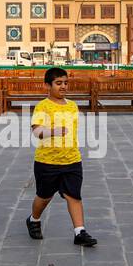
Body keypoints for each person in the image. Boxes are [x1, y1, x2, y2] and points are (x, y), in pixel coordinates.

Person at [26, 67, 96, 247]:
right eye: (58, 83)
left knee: (74, 196)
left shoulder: (72, 105)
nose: (63, 86)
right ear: (47, 86)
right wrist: (53, 131)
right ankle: (34, 219)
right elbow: (37, 131)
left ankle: (79, 232)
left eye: (65, 83)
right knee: (44, 197)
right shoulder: (42, 106)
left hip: (72, 159)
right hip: (47, 161)